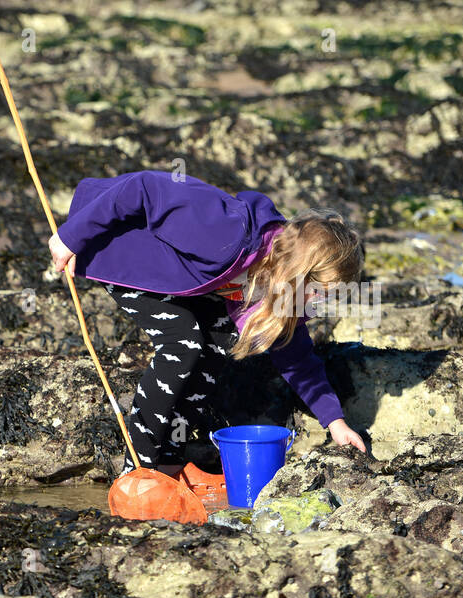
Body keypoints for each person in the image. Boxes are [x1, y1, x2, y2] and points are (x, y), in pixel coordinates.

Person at [47, 170, 368, 476]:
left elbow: (295, 355)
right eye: (319, 294)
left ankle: (171, 463)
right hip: (110, 244)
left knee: (222, 338)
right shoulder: (226, 230)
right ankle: (139, 471)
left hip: (172, 274)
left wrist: (335, 423)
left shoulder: (281, 288)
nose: (320, 305)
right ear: (300, 273)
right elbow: (142, 188)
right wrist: (73, 235)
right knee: (182, 342)